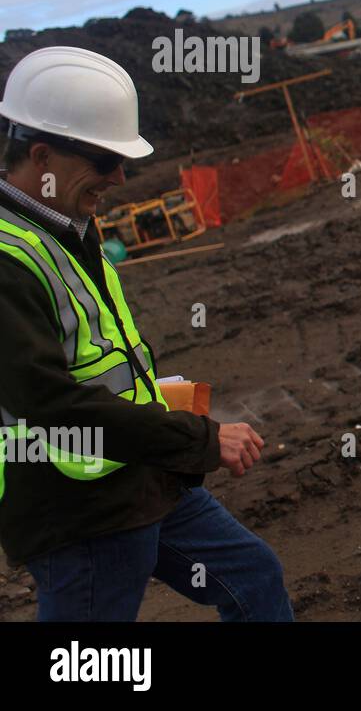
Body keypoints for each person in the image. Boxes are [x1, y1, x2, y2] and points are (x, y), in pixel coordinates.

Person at [0, 45, 292, 621]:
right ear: (42, 156)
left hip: (138, 478)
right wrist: (200, 440)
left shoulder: (65, 227)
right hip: (78, 509)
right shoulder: (7, 258)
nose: (120, 176)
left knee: (254, 579)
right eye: (106, 161)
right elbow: (51, 406)